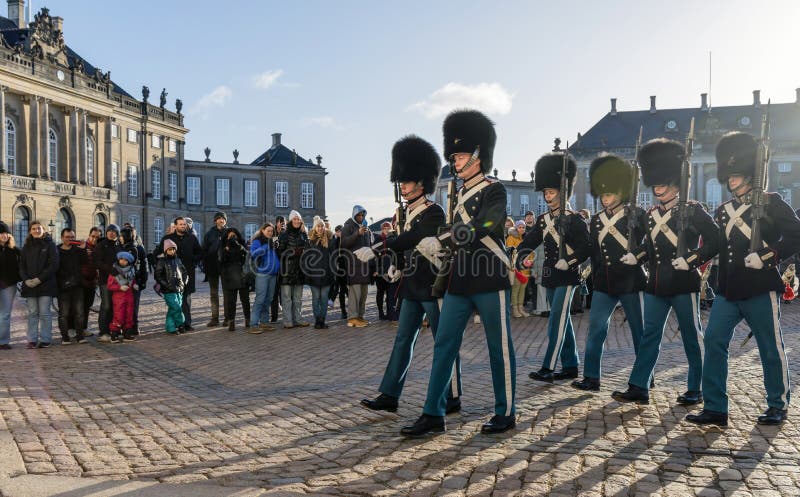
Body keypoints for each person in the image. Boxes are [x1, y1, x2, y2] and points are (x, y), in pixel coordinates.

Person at [402, 110, 515, 437]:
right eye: (454, 155)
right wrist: (436, 240)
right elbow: (453, 227)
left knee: (499, 347)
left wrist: (442, 237)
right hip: (459, 279)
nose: (456, 160)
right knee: (444, 345)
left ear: (479, 156)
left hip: (489, 275)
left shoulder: (495, 189)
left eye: (461, 154)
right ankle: (433, 412)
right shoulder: (459, 192)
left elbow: (487, 225)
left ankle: (506, 411)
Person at [686, 131, 800, 427]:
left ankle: (778, 404)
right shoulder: (724, 212)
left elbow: (795, 234)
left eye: (736, 175)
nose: (731, 180)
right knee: (713, 341)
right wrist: (693, 259)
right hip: (729, 288)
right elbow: (715, 244)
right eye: (730, 175)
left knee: (769, 347)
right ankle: (715, 407)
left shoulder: (771, 202)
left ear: (749, 174)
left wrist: (769, 255)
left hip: (761, 287)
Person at [356, 135, 463, 416]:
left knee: (444, 340)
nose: (402, 186)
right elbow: (405, 245)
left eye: (406, 181)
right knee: (403, 339)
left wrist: (379, 247)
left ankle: (452, 394)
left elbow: (414, 237)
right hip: (411, 285)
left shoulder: (434, 212)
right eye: (401, 181)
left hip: (433, 284)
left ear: (421, 182)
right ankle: (390, 393)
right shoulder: (403, 213)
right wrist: (395, 265)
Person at [612, 138, 719, 406]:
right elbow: (649, 247)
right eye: (656, 184)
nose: (658, 188)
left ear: (675, 183)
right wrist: (635, 256)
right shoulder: (650, 216)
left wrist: (694, 259)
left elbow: (717, 240)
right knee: (650, 336)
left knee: (692, 337)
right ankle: (639, 385)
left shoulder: (694, 211)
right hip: (657, 284)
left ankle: (697, 387)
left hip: (684, 282)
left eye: (663, 184)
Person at [571, 154, 647, 392]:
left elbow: (652, 245)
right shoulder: (596, 220)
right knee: (596, 329)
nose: (605, 199)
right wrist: (571, 258)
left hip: (631, 281)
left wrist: (638, 254)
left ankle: (645, 377)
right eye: (602, 195)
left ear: (621, 192)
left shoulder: (637, 215)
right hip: (604, 281)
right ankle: (592, 377)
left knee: (639, 332)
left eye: (609, 194)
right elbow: (589, 247)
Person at [519, 152, 590, 383]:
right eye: (546, 193)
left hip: (568, 276)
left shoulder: (575, 219)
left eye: (551, 192)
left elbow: (587, 248)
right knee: (563, 322)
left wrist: (569, 261)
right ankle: (570, 366)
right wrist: (518, 252)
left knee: (555, 321)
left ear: (562, 192)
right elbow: (531, 240)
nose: (548, 196)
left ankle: (548, 367)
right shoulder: (543, 220)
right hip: (550, 276)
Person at [155, 217, 202, 331]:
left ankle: (186, 323)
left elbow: (200, 252)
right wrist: (163, 264)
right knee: (174, 301)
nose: (183, 226)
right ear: (175, 226)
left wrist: (193, 260)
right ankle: (174, 324)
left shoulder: (192, 238)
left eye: (184, 224)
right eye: (180, 224)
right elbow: (157, 253)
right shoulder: (168, 238)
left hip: (187, 273)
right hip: (171, 275)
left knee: (186, 299)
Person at [20, 220, 59, 348]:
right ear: (30, 231)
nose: (36, 230)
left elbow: (53, 265)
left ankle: (45, 339)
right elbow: (21, 266)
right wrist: (26, 279)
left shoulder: (50, 244)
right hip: (30, 285)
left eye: (38, 228)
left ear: (43, 230)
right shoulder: (26, 247)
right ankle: (32, 339)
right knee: (32, 313)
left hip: (45, 284)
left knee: (44, 313)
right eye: (34, 229)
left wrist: (39, 279)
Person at [340, 205, 373, 327]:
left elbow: (369, 247)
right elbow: (344, 243)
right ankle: (352, 317)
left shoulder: (366, 228)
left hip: (364, 266)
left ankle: (360, 316)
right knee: (355, 293)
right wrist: (357, 234)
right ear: (354, 215)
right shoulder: (348, 227)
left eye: (362, 215)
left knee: (363, 294)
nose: (361, 217)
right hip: (353, 266)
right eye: (358, 215)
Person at [276, 210, 309, 328]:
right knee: (286, 298)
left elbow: (309, 250)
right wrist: (293, 252)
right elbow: (279, 252)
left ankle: (298, 319)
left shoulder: (303, 234)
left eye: (298, 219)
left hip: (300, 270)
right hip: (287, 270)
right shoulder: (284, 234)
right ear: (291, 220)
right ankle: (287, 321)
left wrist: (305, 253)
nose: (296, 221)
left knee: (298, 298)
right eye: (294, 219)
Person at [56, 228, 88, 345]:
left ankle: (80, 336)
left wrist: (83, 249)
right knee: (63, 313)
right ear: (62, 237)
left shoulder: (77, 250)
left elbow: (85, 262)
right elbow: (55, 268)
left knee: (79, 312)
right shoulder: (56, 250)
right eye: (67, 237)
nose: (70, 239)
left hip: (77, 286)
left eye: (72, 237)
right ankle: (65, 337)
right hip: (63, 287)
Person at [302, 216, 335, 329]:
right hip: (314, 275)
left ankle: (322, 319)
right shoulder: (310, 241)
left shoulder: (330, 240)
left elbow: (334, 257)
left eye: (322, 226)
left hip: (327, 274)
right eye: (318, 226)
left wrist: (333, 272)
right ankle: (317, 320)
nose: (320, 228)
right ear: (315, 227)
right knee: (316, 298)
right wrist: (307, 273)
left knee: (324, 298)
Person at [249, 223, 280, 333]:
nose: (270, 233)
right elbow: (254, 254)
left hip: (273, 275)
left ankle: (264, 323)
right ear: (262, 230)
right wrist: (267, 246)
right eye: (268, 230)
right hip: (262, 274)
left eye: (272, 231)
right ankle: (253, 324)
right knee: (260, 299)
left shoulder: (274, 240)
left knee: (268, 299)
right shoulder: (258, 241)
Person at [155, 239, 189, 334]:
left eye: (173, 249)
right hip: (168, 290)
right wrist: (166, 285)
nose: (172, 251)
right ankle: (180, 324)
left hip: (179, 289)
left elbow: (185, 272)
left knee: (172, 310)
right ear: (166, 250)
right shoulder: (161, 261)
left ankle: (170, 328)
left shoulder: (178, 260)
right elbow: (158, 275)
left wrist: (184, 282)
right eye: (170, 249)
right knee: (176, 307)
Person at [220, 227, 251, 331]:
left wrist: (240, 247)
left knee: (245, 300)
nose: (232, 238)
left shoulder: (241, 246)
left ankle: (248, 320)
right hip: (229, 276)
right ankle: (231, 322)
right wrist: (226, 248)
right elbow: (221, 260)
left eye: (234, 235)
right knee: (231, 301)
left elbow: (247, 257)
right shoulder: (224, 246)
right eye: (230, 236)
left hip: (242, 276)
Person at [94, 224, 121, 342]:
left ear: (117, 233)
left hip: (118, 280)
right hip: (105, 280)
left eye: (114, 231)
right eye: (109, 231)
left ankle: (113, 329)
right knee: (106, 305)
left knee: (115, 306)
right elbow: (97, 263)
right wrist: (111, 269)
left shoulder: (120, 246)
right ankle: (103, 331)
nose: (111, 233)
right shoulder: (101, 245)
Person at [119, 227, 147, 335]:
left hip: (135, 281)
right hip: (123, 281)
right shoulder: (121, 247)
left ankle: (134, 326)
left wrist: (143, 281)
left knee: (134, 305)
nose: (120, 238)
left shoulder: (138, 248)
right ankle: (125, 326)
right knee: (123, 305)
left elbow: (144, 265)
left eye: (121, 236)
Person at [106, 251, 138, 343]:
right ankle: (114, 334)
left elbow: (132, 281)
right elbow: (109, 285)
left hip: (129, 296)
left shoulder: (131, 271)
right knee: (118, 315)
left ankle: (127, 333)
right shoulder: (114, 272)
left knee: (129, 315)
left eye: (125, 260)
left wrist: (135, 285)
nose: (123, 261)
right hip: (119, 297)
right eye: (121, 259)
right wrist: (119, 287)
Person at [202, 211, 227, 327]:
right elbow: (204, 250)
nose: (221, 220)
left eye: (223, 218)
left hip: (226, 267)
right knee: (214, 294)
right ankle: (215, 318)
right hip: (212, 267)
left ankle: (228, 318)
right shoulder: (209, 234)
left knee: (227, 294)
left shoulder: (230, 232)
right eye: (219, 218)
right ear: (215, 220)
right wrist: (206, 267)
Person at [0, 222, 21, 349]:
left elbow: (22, 266)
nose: (4, 235)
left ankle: (2, 341)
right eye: (1, 233)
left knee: (5, 314)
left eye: (6, 233)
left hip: (9, 286)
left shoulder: (15, 250)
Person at [79, 228, 100, 334]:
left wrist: (96, 280)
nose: (94, 239)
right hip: (82, 281)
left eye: (97, 237)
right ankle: (77, 328)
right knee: (80, 306)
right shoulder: (82, 246)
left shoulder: (98, 248)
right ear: (89, 235)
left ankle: (83, 328)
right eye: (93, 236)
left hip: (92, 282)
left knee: (87, 305)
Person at [506, 221, 529, 318]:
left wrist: (530, 260)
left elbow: (529, 251)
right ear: (516, 228)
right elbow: (511, 252)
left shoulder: (524, 238)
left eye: (523, 227)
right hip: (516, 267)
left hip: (525, 267)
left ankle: (520, 308)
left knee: (522, 289)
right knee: (516, 288)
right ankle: (515, 309)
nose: (522, 229)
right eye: (520, 227)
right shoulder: (511, 238)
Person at [373, 221, 395, 321]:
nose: (387, 230)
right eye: (385, 228)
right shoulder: (378, 239)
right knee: (380, 292)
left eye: (388, 228)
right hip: (380, 270)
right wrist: (376, 270)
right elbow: (374, 255)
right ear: (382, 229)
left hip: (391, 269)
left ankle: (390, 312)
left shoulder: (393, 238)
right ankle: (381, 312)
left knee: (390, 293)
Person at [329, 225, 348, 320]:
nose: (339, 233)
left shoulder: (346, 240)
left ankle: (351, 310)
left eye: (340, 231)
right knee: (342, 290)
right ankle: (343, 311)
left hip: (347, 268)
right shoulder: (334, 242)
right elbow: (333, 254)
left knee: (348, 291)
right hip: (339, 269)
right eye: (337, 231)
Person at [270, 216, 286, 323]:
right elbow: (274, 249)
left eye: (284, 223)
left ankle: (286, 314)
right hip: (275, 267)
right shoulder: (273, 234)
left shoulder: (286, 234)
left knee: (284, 292)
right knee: (274, 292)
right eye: (281, 223)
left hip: (285, 266)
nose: (283, 225)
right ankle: (274, 316)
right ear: (277, 223)